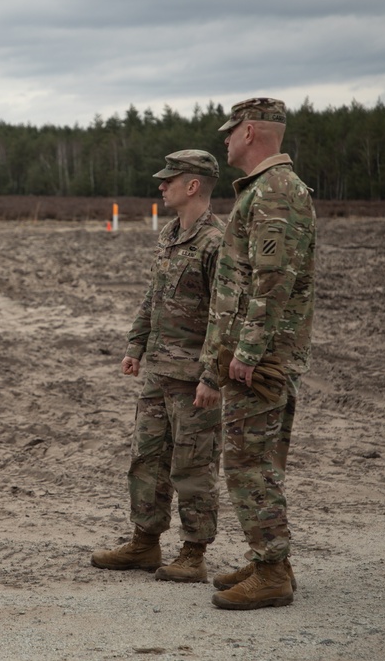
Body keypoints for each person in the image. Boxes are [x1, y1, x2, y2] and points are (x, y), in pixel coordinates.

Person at [193, 98, 316, 609]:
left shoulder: (275, 192)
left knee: (248, 463)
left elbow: (272, 283)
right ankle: (272, 560)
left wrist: (246, 351)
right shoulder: (266, 191)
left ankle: (271, 574)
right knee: (256, 459)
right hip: (258, 352)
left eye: (230, 132)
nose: (224, 140)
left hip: (259, 358)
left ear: (250, 132)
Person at [91, 150, 225, 583]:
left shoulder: (217, 243)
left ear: (193, 186)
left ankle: (193, 551)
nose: (161, 186)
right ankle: (145, 542)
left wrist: (212, 375)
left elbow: (227, 315)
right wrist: (136, 344)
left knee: (193, 464)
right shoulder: (169, 234)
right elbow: (154, 295)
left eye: (170, 180)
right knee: (147, 458)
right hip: (159, 371)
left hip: (194, 379)